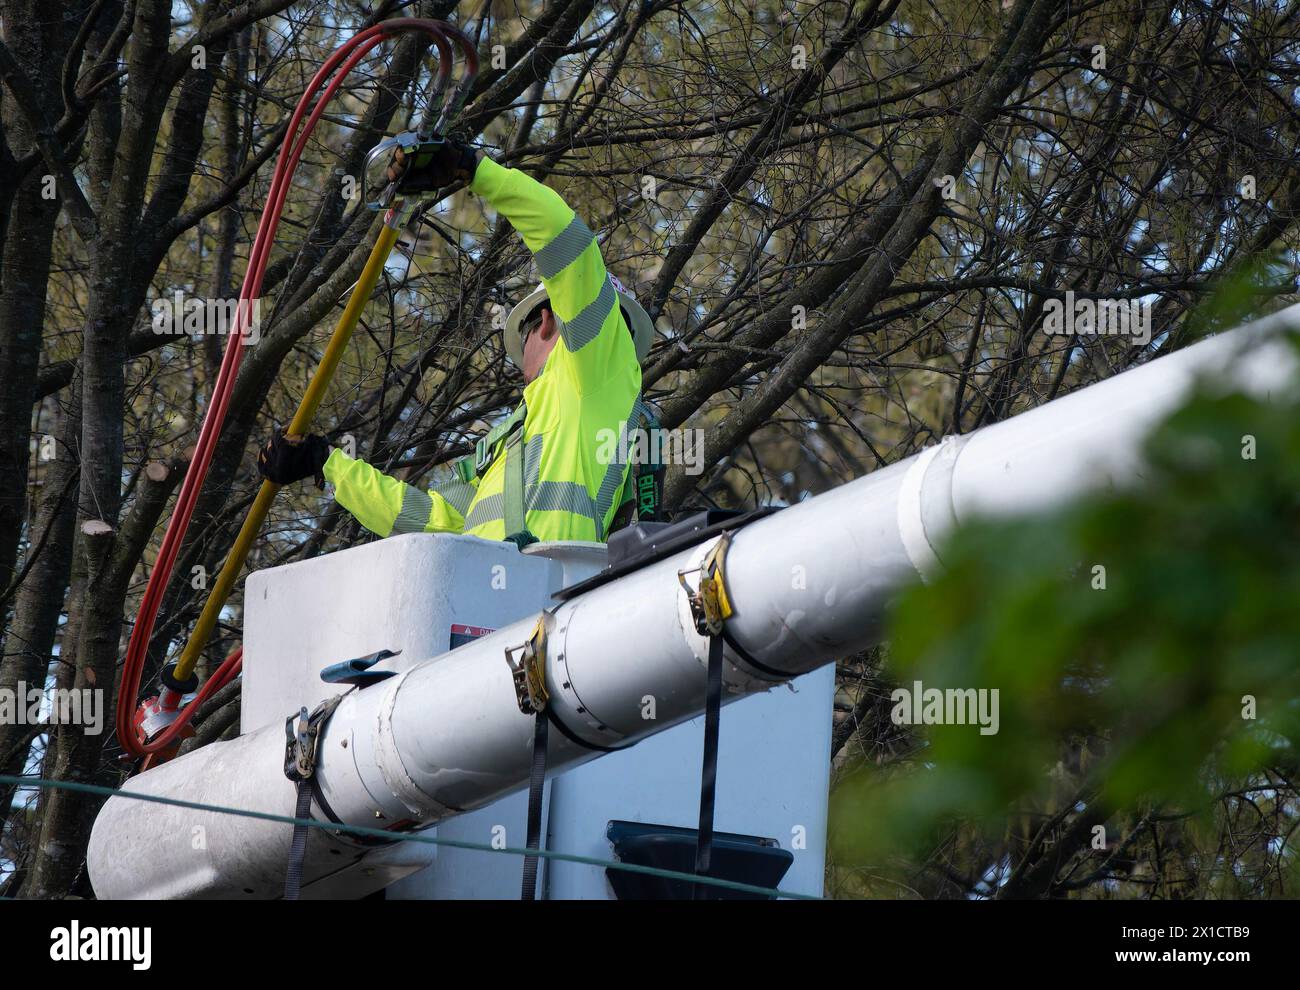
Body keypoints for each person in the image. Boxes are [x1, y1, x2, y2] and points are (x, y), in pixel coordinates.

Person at [257, 136, 655, 547]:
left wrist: (475, 168)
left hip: (548, 589)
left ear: (549, 320)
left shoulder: (598, 366)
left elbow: (566, 241)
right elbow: (427, 521)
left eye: (523, 333)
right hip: (485, 602)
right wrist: (327, 464)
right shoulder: (514, 442)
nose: (520, 362)